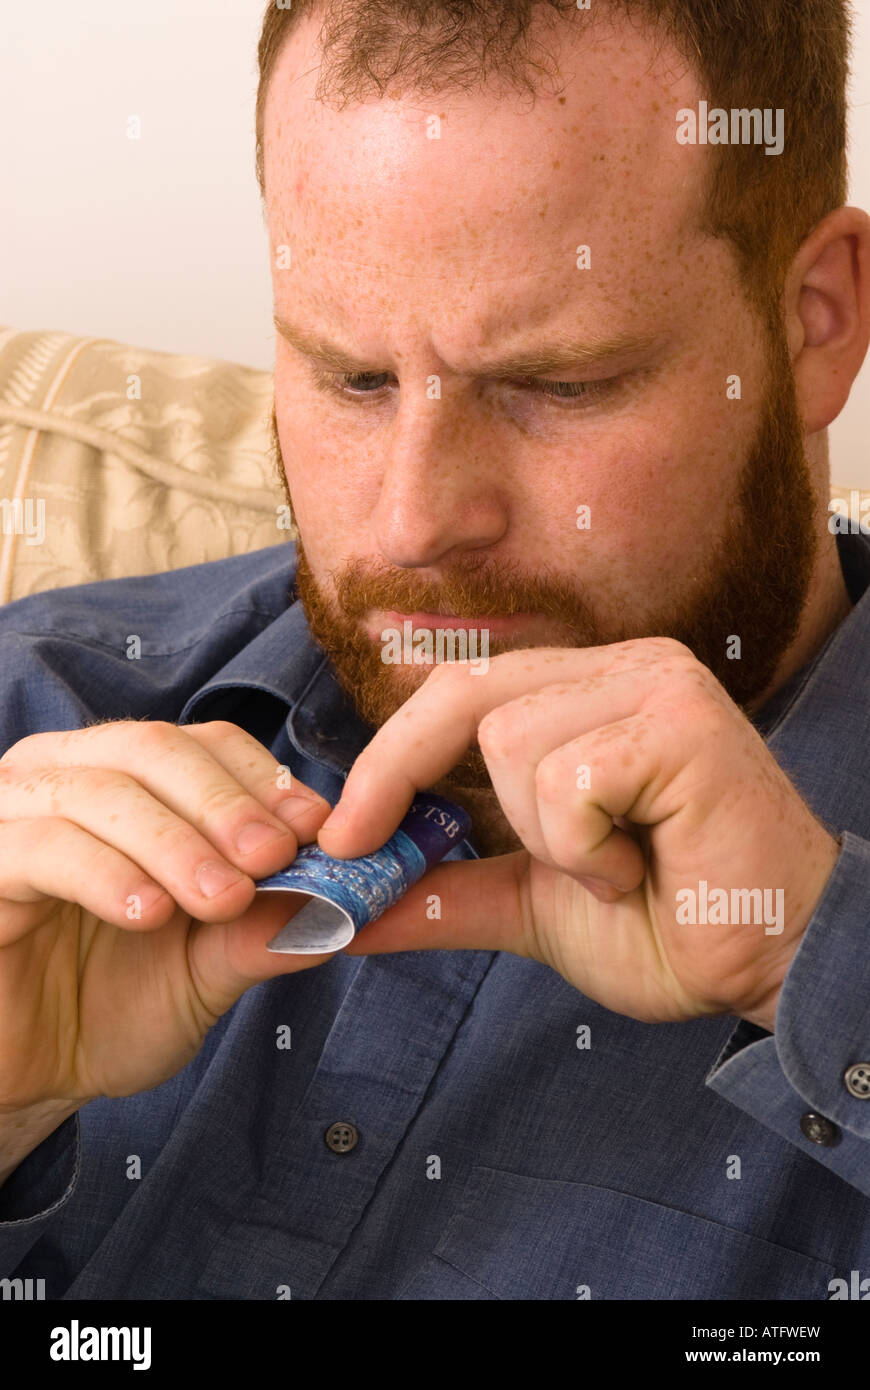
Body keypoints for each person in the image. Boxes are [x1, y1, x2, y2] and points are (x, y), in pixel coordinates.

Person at [0, 0, 868, 1301]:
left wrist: (819, 965)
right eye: (351, 377)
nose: (411, 521)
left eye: (558, 384)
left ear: (814, 322)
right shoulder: (39, 710)